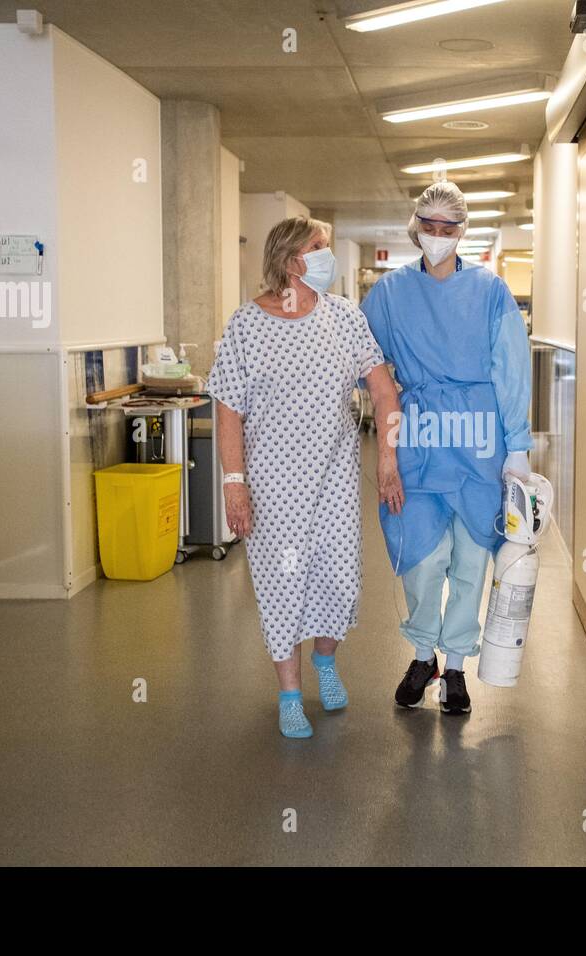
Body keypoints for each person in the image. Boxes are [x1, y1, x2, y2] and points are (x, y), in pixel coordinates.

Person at [208, 216, 403, 738]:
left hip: (335, 483)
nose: (326, 254)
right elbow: (228, 407)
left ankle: (324, 661)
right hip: (273, 489)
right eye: (318, 246)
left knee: (340, 580)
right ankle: (290, 694)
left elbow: (384, 392)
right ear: (292, 260)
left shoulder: (344, 318)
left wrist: (387, 458)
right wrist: (234, 482)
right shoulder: (246, 326)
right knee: (283, 584)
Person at [360, 182, 532, 715]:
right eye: (428, 227)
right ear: (416, 228)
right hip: (417, 437)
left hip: (480, 439)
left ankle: (455, 664)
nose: (437, 237)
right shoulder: (389, 294)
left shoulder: (491, 291)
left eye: (448, 228)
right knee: (421, 555)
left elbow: (511, 368)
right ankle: (420, 653)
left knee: (471, 558)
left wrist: (518, 445)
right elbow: (362, 357)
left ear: (463, 231)